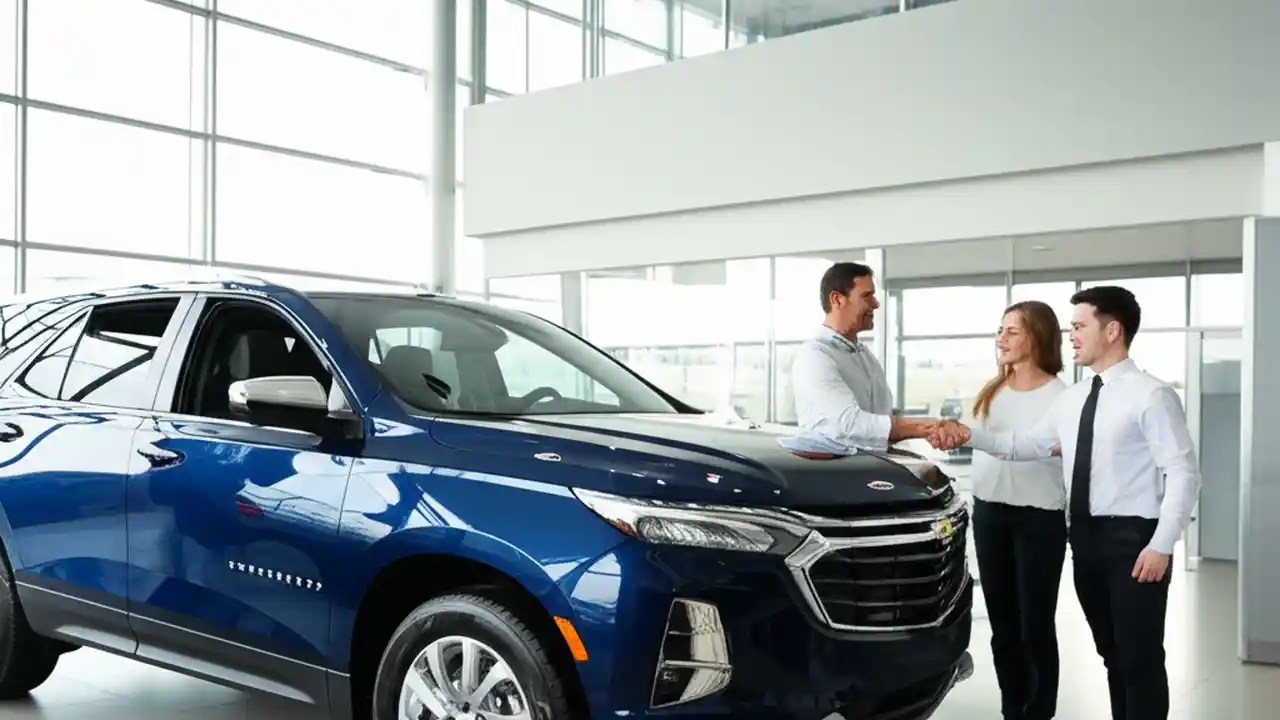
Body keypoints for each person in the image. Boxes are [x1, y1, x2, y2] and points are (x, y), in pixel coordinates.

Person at [931, 286, 1201, 720]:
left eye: (1079, 326)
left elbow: (1184, 472)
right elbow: (1022, 445)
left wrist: (1163, 543)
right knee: (1112, 653)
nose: (1071, 335)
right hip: (1086, 538)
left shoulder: (1152, 395)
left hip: (1135, 540)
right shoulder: (1074, 399)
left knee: (1139, 657)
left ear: (1112, 331)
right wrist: (969, 434)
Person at [969, 300, 1069, 720]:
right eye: (1000, 330)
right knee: (1003, 628)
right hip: (990, 516)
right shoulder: (990, 392)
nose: (1001, 338)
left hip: (1039, 520)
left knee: (1035, 628)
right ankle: (1013, 708)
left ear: (1038, 336)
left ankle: (1039, 710)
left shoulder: (1062, 395)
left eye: (1012, 331)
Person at [790, 262, 939, 453]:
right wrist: (926, 427)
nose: (876, 304)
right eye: (867, 296)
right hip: (834, 476)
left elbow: (880, 422)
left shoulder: (865, 356)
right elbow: (850, 424)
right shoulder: (815, 357)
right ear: (837, 299)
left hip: (871, 471)